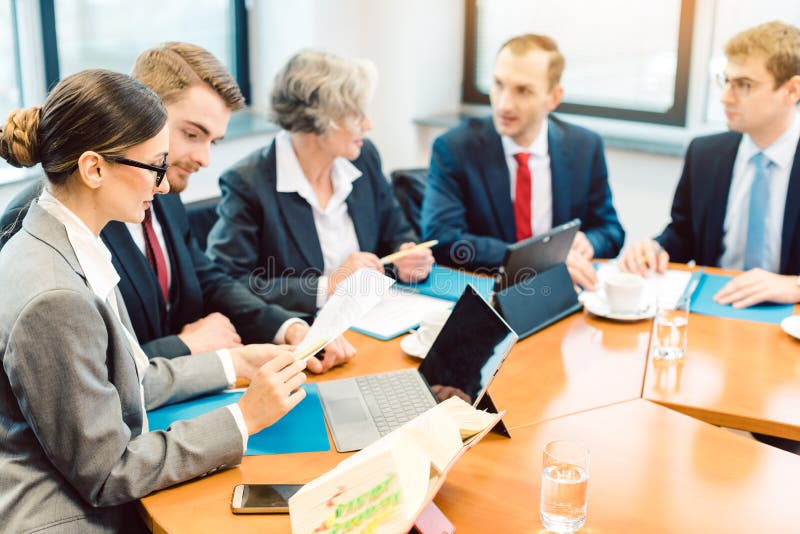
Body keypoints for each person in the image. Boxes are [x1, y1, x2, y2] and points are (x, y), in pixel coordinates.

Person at [0, 69, 308, 533]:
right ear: (94, 168)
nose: (163, 186)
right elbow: (108, 473)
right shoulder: (55, 297)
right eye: (155, 167)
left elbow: (128, 378)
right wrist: (244, 417)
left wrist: (234, 363)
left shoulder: (65, 239)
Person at [0, 43, 353, 373]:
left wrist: (287, 327)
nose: (204, 159)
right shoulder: (49, 218)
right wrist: (184, 346)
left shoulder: (162, 188)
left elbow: (206, 277)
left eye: (213, 141)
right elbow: (76, 371)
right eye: (192, 135)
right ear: (142, 111)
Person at [206, 49, 433, 315]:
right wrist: (327, 286)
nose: (368, 124)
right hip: (300, 333)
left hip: (374, 318)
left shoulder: (363, 157)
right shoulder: (248, 182)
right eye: (357, 115)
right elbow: (227, 284)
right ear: (320, 119)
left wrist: (405, 257)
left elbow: (396, 234)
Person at [619, 21, 800, 311]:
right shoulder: (706, 153)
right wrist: (656, 249)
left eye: (744, 85)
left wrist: (794, 284)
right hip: (714, 309)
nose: (725, 97)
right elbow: (683, 236)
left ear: (792, 90)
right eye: (725, 81)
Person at [420, 33, 624, 290]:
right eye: (498, 84)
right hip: (490, 293)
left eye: (523, 91)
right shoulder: (454, 148)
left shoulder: (585, 146)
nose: (504, 104)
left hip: (563, 294)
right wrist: (539, 261)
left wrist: (590, 241)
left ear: (553, 97)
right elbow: (443, 240)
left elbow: (612, 231)